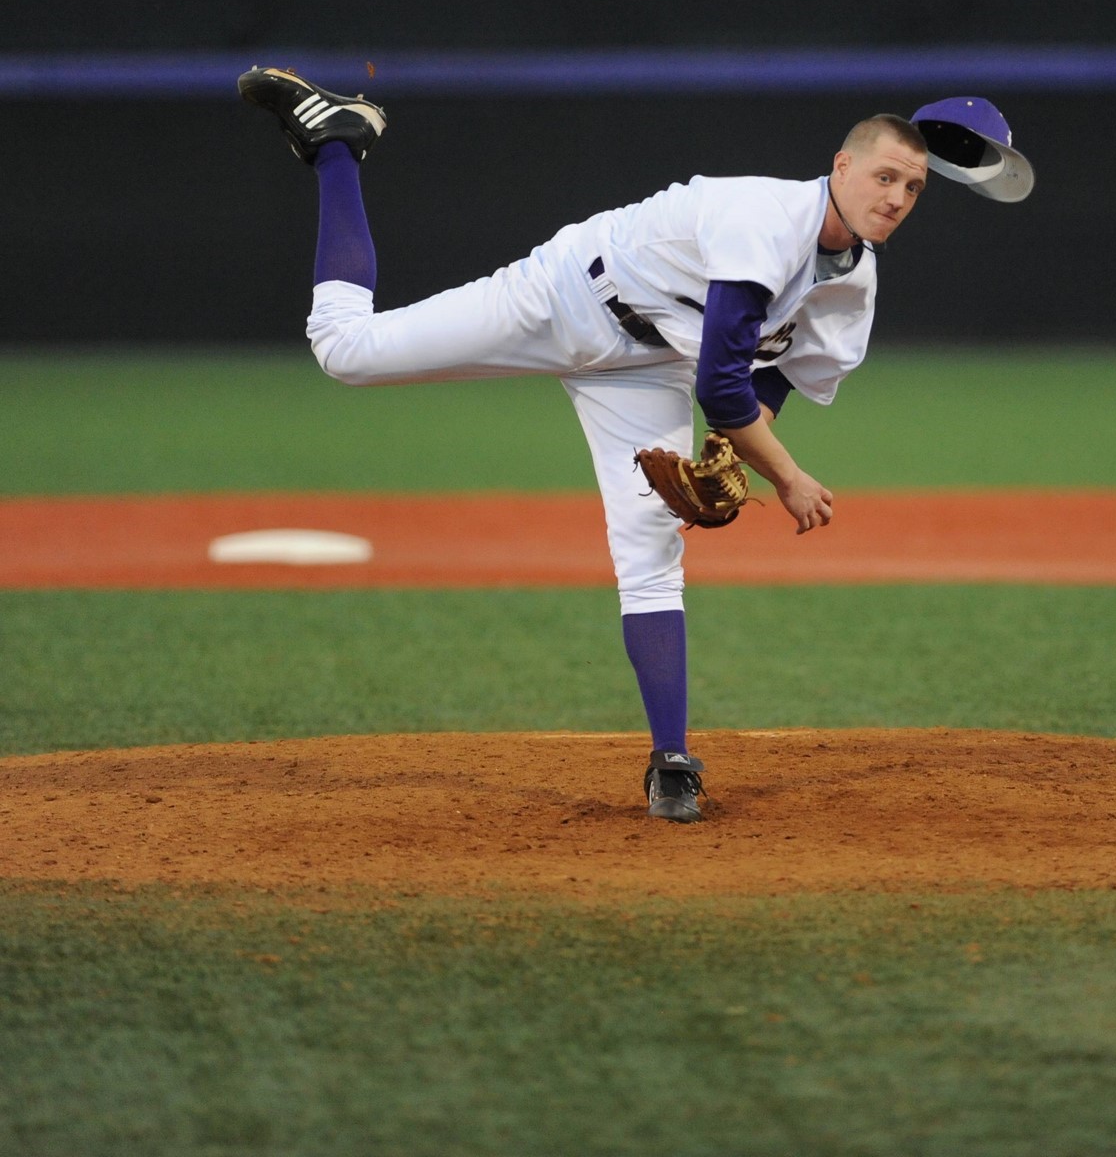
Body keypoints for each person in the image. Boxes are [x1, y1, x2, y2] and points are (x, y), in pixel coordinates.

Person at [238, 67, 1034, 824]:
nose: (895, 198)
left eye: (914, 189)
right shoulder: (768, 219)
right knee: (345, 352)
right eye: (884, 177)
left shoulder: (854, 281)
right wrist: (784, 477)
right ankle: (340, 142)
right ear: (841, 165)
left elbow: (773, 378)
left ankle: (673, 760)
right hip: (567, 295)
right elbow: (721, 388)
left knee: (651, 550)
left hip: (650, 365)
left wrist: (727, 457)